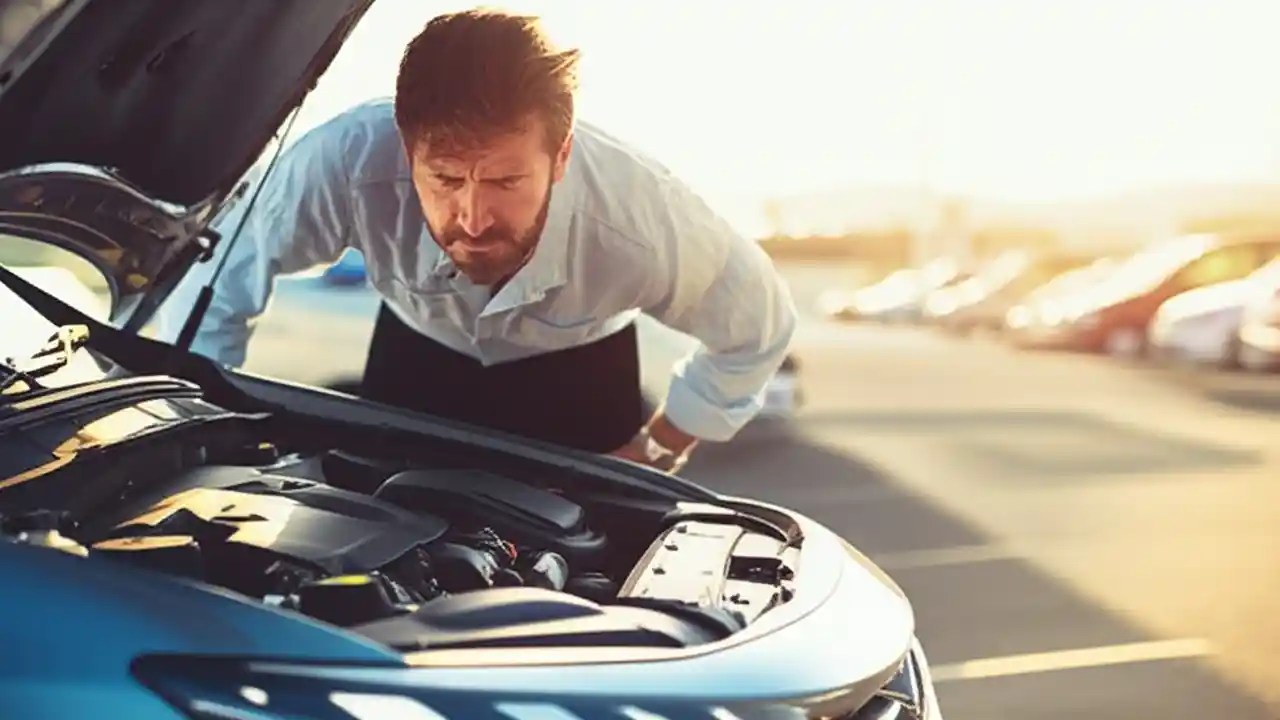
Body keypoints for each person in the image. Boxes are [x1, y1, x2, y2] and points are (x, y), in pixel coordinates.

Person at [154, 8, 796, 473]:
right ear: (406, 150)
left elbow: (758, 328)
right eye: (447, 178)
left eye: (506, 180)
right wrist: (203, 431)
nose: (474, 216)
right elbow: (214, 281)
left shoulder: (644, 216)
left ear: (562, 154)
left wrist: (657, 446)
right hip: (415, 361)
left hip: (581, 381)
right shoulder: (341, 162)